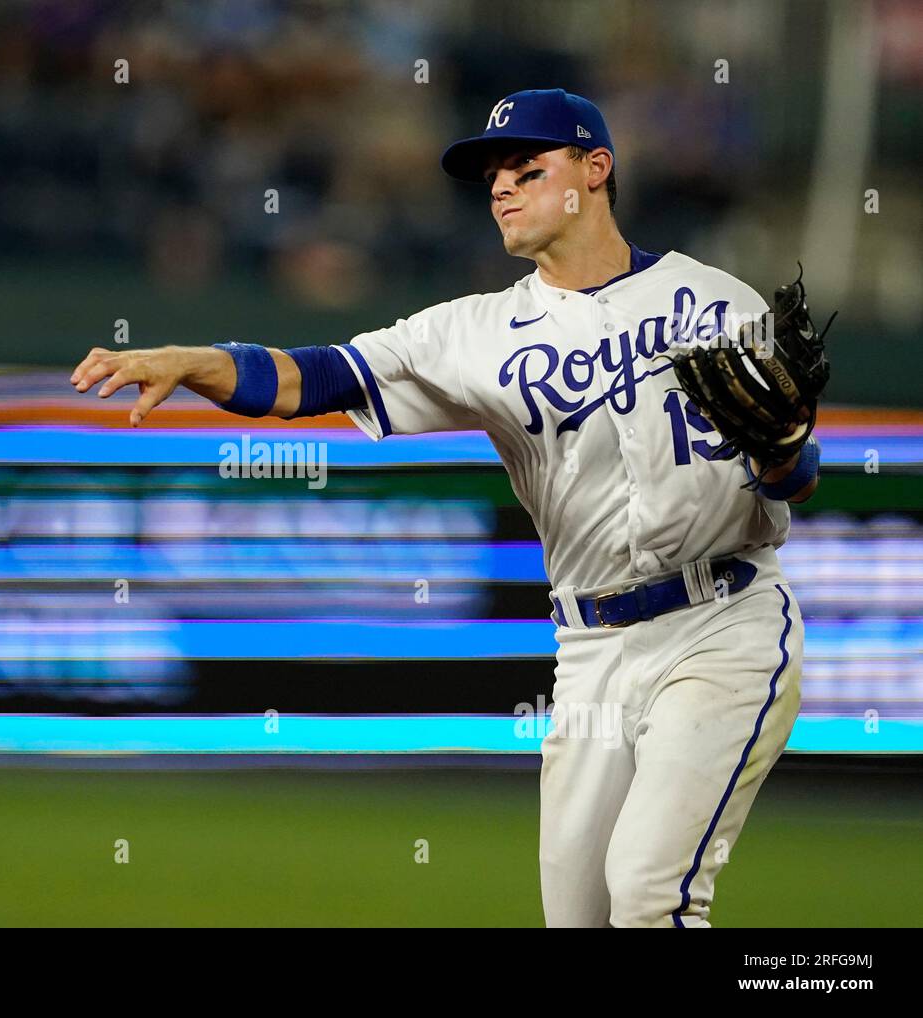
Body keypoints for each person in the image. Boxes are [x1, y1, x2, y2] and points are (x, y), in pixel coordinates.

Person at [71, 88, 820, 927]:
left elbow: (794, 482)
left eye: (526, 168)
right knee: (579, 918)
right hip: (592, 650)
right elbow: (314, 378)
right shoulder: (476, 333)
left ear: (595, 170)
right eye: (491, 174)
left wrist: (787, 454)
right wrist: (193, 357)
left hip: (723, 622)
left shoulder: (719, 301)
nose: (501, 187)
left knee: (650, 895)